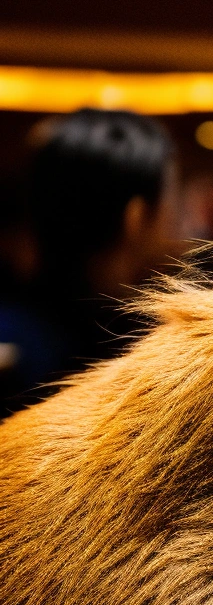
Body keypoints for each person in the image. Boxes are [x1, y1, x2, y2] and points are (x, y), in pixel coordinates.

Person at [0, 110, 182, 415]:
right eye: (174, 202)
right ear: (135, 218)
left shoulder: (13, 337)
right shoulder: (140, 354)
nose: (180, 225)